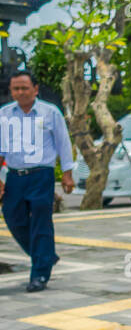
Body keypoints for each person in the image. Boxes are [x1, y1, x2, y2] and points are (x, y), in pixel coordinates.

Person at [0, 70, 74, 291]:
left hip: (42, 175)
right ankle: (45, 255)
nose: (20, 92)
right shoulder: (4, 114)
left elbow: (63, 143)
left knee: (41, 221)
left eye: (24, 88)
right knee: (12, 217)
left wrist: (68, 174)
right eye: (16, 88)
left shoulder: (50, 113)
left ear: (35, 89)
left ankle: (39, 275)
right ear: (11, 91)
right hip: (15, 176)